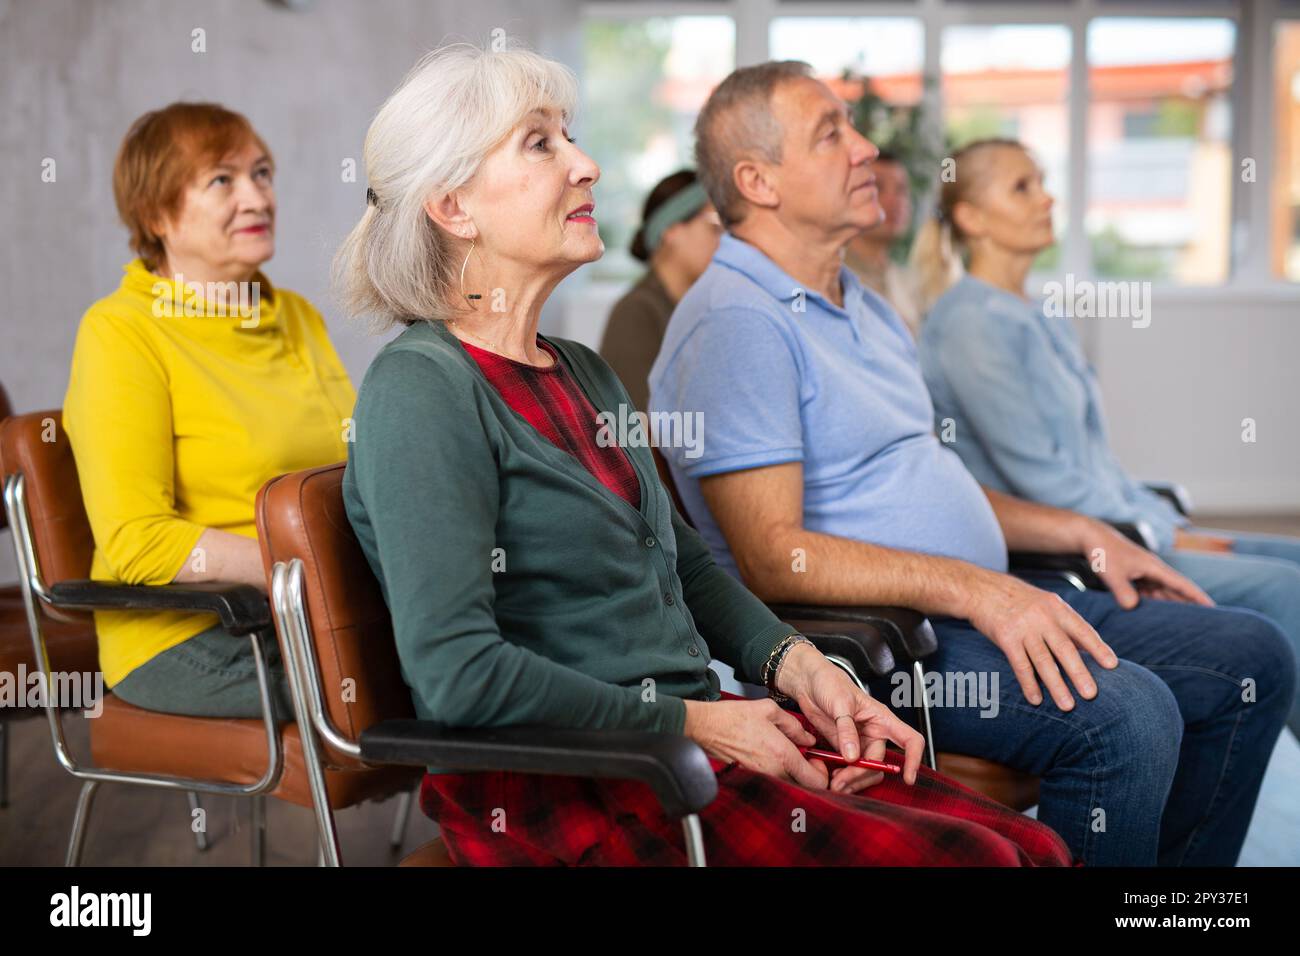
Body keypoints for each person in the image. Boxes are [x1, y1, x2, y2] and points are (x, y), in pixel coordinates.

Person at [335, 40, 1076, 867]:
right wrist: (697, 722)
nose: (586, 166)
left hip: (689, 745)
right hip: (582, 783)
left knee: (1033, 848)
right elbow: (460, 678)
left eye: (569, 137)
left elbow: (687, 570)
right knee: (988, 862)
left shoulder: (582, 372)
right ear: (453, 207)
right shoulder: (422, 392)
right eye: (541, 144)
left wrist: (803, 668)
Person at [648, 61, 1295, 866]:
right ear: (759, 180)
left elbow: (925, 480)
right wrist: (981, 589)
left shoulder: (863, 303)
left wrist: (1084, 531)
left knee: (1251, 655)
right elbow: (774, 556)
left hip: (973, 607)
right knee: (1129, 716)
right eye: (831, 133)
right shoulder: (735, 323)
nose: (863, 150)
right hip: (871, 647)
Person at [915, 138, 1300, 740]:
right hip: (1065, 556)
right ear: (971, 218)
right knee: (1288, 588)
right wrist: (1170, 537)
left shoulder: (1037, 314)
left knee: (1290, 558)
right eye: (1022, 187)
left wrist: (1177, 528)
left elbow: (1099, 467)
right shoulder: (972, 324)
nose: (1047, 198)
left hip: (1117, 529)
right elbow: (1044, 481)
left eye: (1042, 181)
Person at [63, 103, 356, 720]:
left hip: (314, 608)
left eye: (262, 173)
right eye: (222, 179)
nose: (256, 197)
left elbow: (353, 466)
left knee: (484, 643)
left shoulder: (296, 315)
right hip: (191, 632)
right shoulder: (121, 332)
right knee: (410, 681)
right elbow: (139, 542)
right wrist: (313, 569)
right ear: (157, 213)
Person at [599, 170, 723, 409]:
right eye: (715, 227)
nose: (726, 240)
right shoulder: (636, 313)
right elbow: (637, 430)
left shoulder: (703, 308)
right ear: (671, 230)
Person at [843, 150, 922, 336]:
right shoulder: (833, 281)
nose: (894, 201)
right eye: (877, 187)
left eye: (901, 190)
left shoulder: (909, 280)